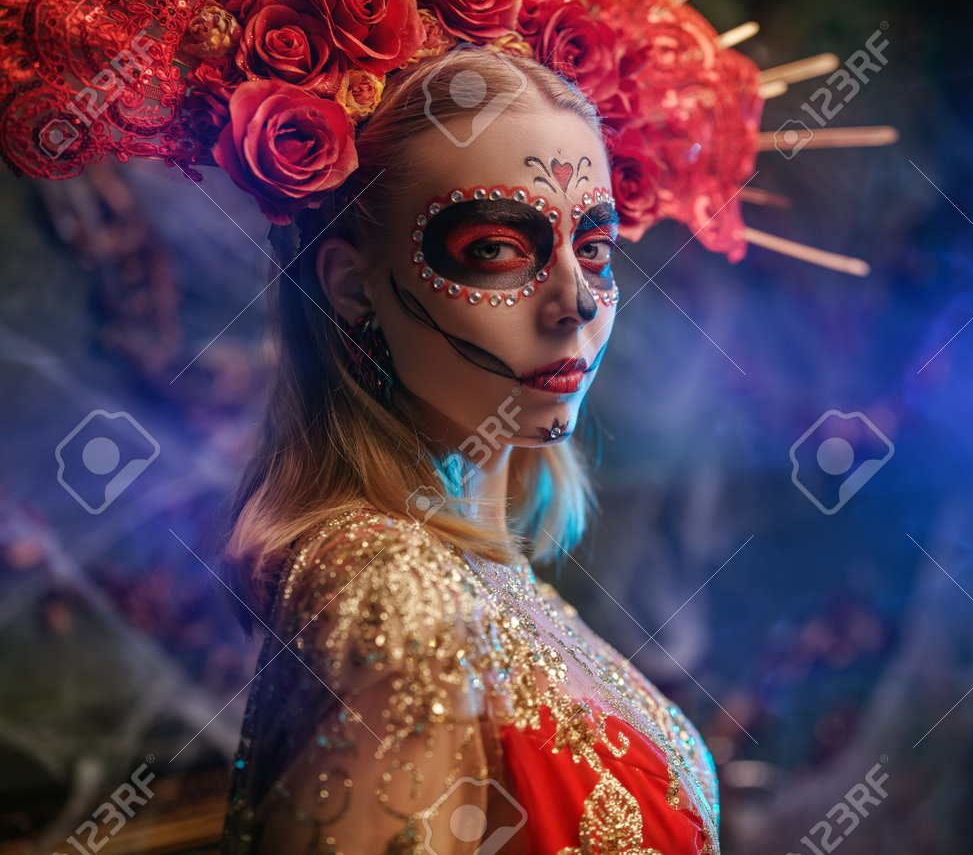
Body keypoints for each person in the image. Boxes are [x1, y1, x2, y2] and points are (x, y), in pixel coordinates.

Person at [218, 48, 719, 853]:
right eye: (497, 249)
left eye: (592, 247)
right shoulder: (385, 584)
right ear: (352, 287)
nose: (576, 301)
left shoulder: (497, 581)